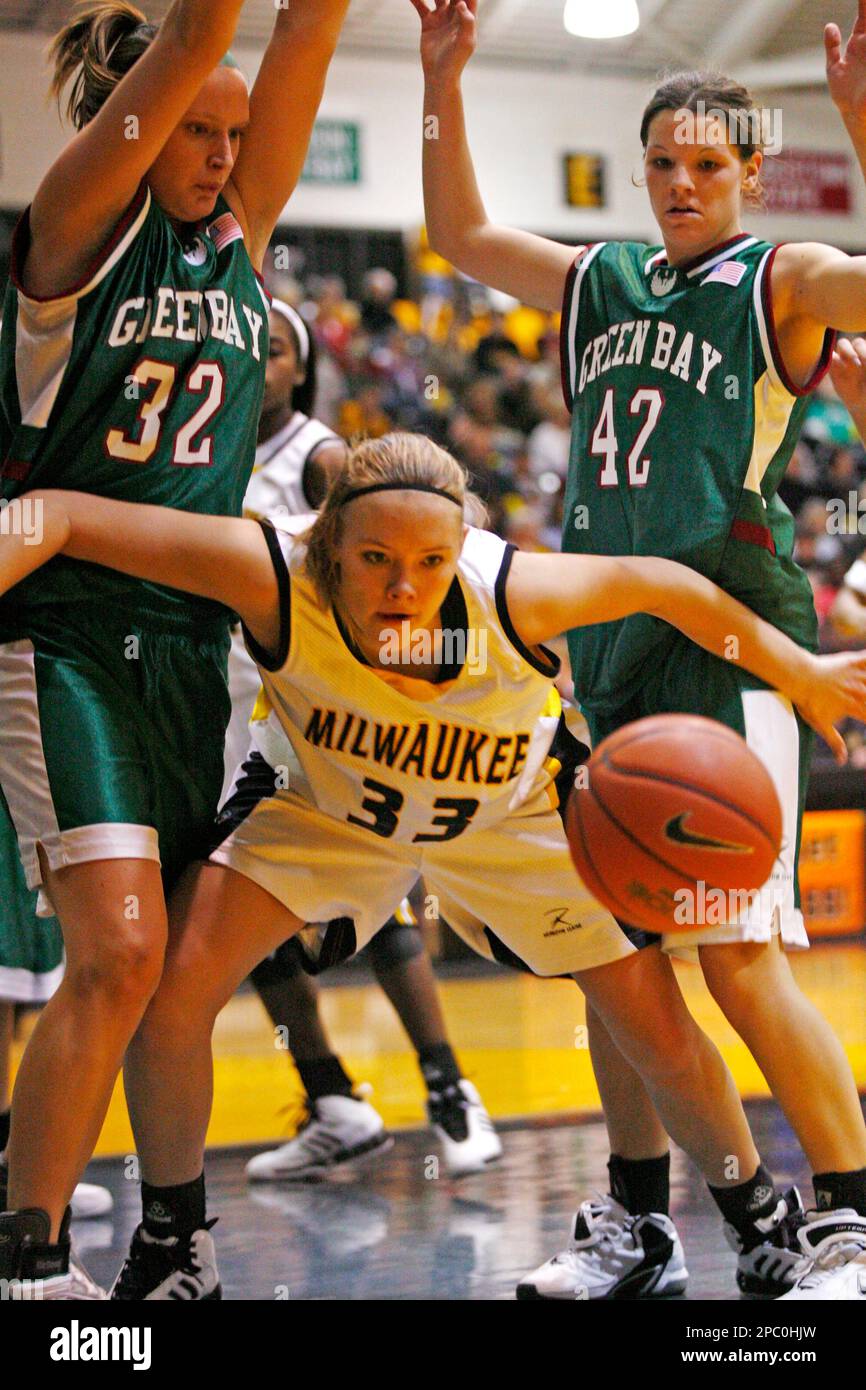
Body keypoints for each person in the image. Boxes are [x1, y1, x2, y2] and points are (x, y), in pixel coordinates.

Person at [3, 435, 866, 1302]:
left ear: (461, 550)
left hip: (508, 815)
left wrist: (802, 670)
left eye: (429, 561)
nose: (403, 587)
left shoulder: (514, 591)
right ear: (329, 540)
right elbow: (67, 516)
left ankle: (758, 1223)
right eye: (375, 558)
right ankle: (174, 1246)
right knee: (172, 987)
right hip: (327, 812)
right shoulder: (272, 567)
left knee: (656, 1026)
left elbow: (671, 587)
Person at [411, 0, 866, 1300]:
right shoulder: (599, 278)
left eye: (705, 165)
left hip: (730, 645)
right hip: (607, 652)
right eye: (660, 161)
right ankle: (634, 1222)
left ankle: (842, 1218)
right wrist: (443, 77)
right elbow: (457, 234)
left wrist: (857, 123)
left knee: (734, 956)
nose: (677, 183)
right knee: (603, 952)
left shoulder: (780, 277)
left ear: (747, 174)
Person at [0, 0, 348, 1299]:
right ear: (131, 124)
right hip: (66, 630)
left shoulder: (234, 239)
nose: (220, 154)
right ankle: (29, 1263)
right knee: (120, 950)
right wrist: (195, 62)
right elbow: (206, 31)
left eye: (233, 136)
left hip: (195, 644)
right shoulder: (76, 222)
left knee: (180, 971)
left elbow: (300, 39)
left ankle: (171, 1244)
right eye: (194, 128)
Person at [226, 301, 501, 1181]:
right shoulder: (207, 452)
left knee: (375, 909)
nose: (258, 366)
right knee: (247, 917)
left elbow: (442, 552)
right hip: (230, 716)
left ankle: (450, 1088)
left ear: (300, 370)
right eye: (247, 350)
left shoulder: (319, 457)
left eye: (274, 353)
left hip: (325, 717)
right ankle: (332, 1099)